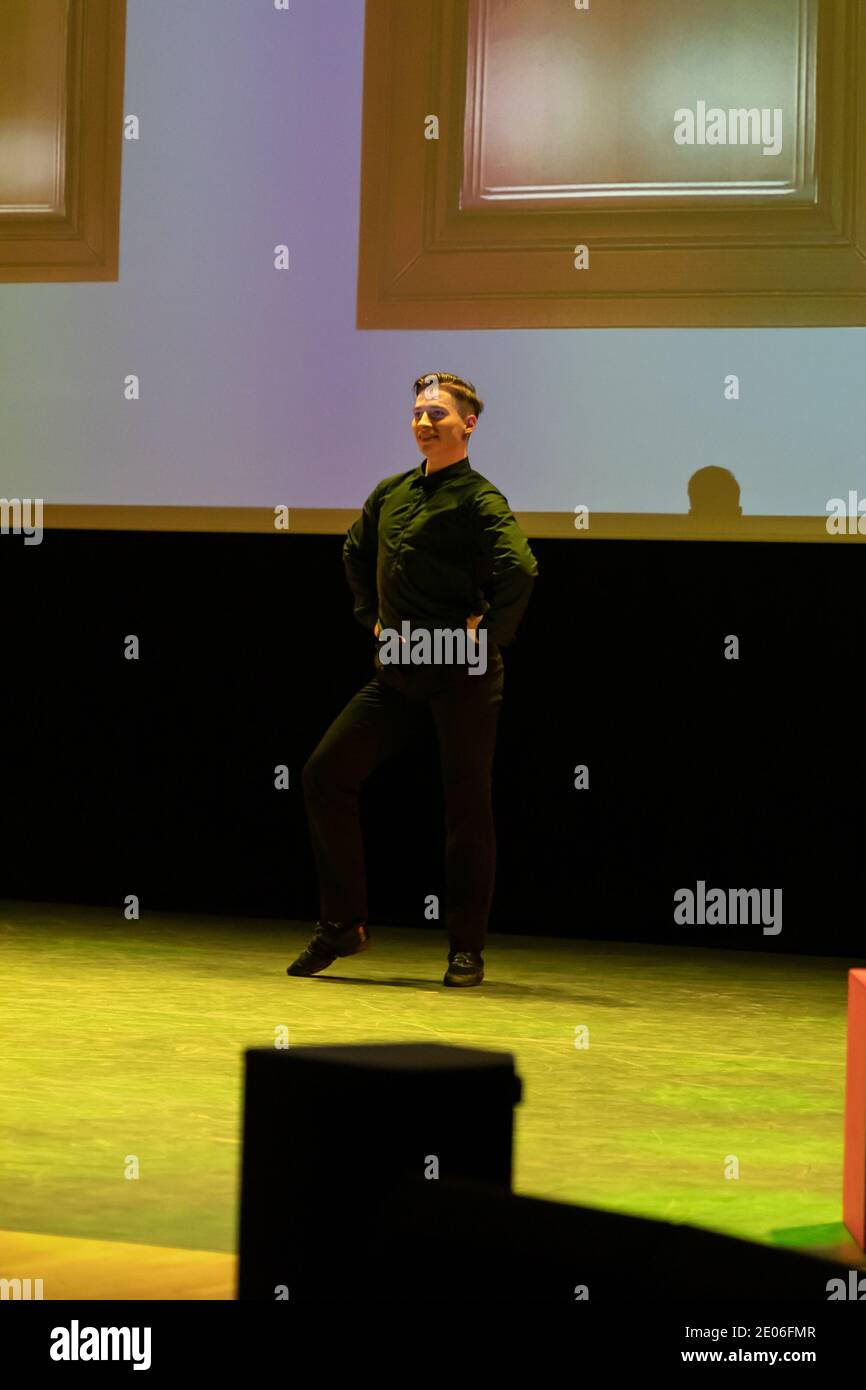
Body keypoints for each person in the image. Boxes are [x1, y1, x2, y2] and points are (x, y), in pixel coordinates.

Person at [287, 372, 538, 988]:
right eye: (419, 414)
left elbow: (521, 570)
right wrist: (372, 621)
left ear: (468, 424)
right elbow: (353, 553)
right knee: (326, 772)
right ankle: (344, 924)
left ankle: (466, 949)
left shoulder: (479, 499)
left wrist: (485, 633)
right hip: (399, 670)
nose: (425, 423)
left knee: (465, 807)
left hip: (463, 675)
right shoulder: (391, 492)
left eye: (438, 415)